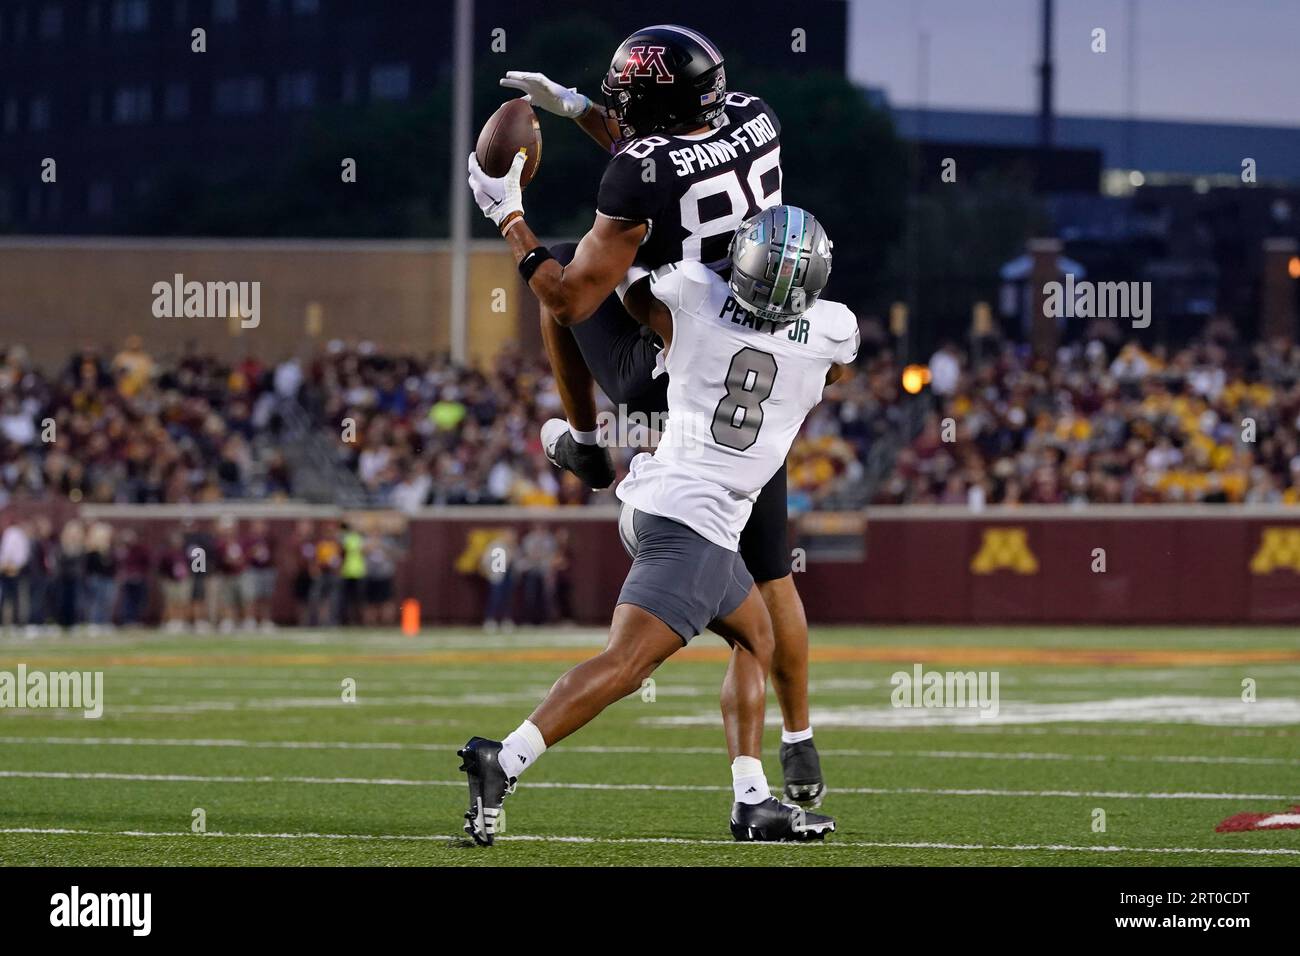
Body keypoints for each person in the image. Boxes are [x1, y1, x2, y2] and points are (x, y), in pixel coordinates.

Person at [470, 25, 827, 806]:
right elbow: (664, 154)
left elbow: (570, 294)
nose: (620, 108)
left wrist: (507, 215)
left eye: (629, 98)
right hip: (761, 372)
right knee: (773, 584)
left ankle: (591, 446)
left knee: (559, 271)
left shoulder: (641, 167)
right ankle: (798, 744)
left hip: (678, 363)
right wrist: (574, 109)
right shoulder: (754, 116)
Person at [458, 206, 853, 844]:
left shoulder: (692, 296)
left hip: (671, 507)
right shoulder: (833, 332)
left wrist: (521, 223)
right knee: (626, 665)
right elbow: (836, 369)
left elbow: (609, 284)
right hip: (694, 522)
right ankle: (503, 759)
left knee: (756, 637)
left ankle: (751, 799)